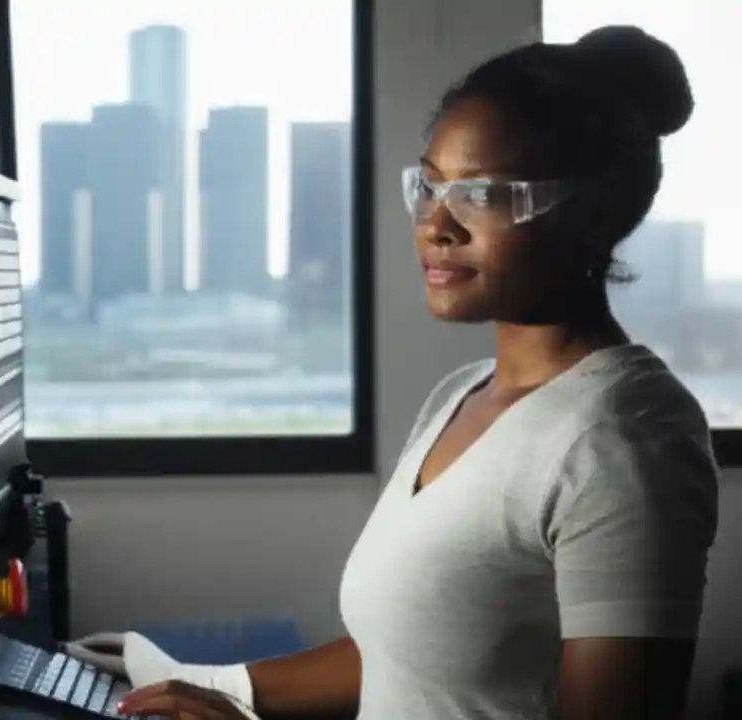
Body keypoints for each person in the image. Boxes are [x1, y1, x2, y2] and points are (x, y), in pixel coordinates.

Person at [111, 25, 720, 720]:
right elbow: (414, 649)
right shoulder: (462, 394)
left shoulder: (624, 438)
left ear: (591, 212)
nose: (436, 224)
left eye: (483, 195)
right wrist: (191, 685)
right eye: (429, 185)